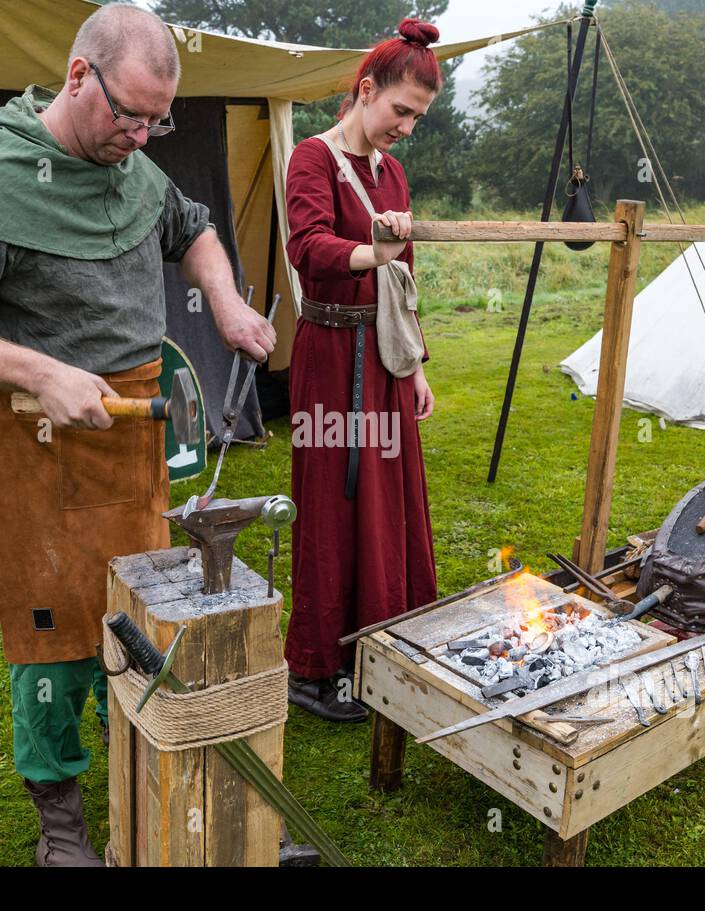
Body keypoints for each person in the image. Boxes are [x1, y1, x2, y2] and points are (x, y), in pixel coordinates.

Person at [0, 3, 274, 865]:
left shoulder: (130, 160)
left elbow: (192, 224)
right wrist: (36, 370)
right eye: (126, 114)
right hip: (43, 451)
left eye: (155, 120)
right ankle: (61, 825)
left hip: (135, 437)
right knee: (55, 641)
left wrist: (229, 299)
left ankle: (149, 769)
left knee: (140, 616)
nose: (140, 137)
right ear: (76, 76)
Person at [282, 19, 441, 722]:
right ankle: (315, 668)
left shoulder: (393, 171)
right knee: (332, 504)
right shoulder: (309, 160)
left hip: (384, 359)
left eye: (418, 118)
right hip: (328, 358)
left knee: (387, 506)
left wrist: (418, 367)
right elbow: (309, 248)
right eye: (400, 110)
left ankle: (380, 648)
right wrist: (372, 250)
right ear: (365, 89)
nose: (406, 127)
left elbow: (401, 279)